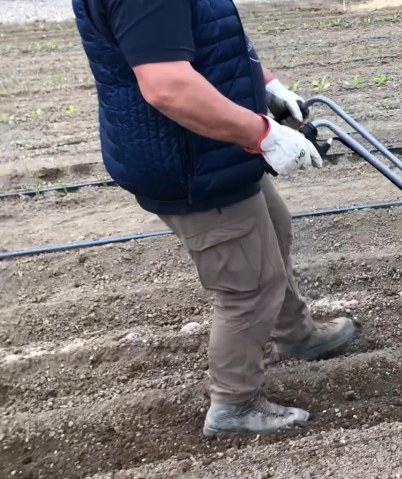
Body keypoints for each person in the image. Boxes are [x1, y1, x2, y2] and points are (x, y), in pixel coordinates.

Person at [71, 0, 357, 436]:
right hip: (188, 157)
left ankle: (297, 335)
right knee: (248, 283)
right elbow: (168, 85)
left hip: (211, 144)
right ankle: (234, 405)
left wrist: (266, 85)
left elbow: (206, 34)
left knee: (273, 229)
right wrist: (261, 133)